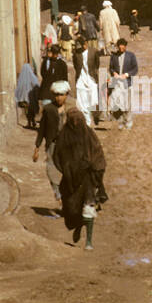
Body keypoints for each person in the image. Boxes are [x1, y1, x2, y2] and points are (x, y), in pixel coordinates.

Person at [53, 97, 106, 250]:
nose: (76, 124)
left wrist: (95, 171)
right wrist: (68, 169)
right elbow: (58, 156)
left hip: (88, 178)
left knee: (88, 207)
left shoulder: (89, 135)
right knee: (71, 209)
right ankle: (78, 226)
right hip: (70, 180)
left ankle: (89, 241)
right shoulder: (64, 136)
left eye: (78, 121)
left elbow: (98, 155)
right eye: (73, 121)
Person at [33, 80, 70, 200]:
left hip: (68, 145)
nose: (59, 98)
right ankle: (57, 191)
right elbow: (42, 129)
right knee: (51, 168)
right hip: (52, 144)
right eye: (56, 95)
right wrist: (37, 147)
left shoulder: (71, 110)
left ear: (67, 94)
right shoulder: (48, 109)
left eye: (62, 94)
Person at [108, 37, 138, 129]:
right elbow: (111, 68)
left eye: (123, 46)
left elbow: (135, 69)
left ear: (125, 46)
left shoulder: (131, 56)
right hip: (117, 83)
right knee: (119, 104)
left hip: (127, 83)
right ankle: (120, 121)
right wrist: (114, 73)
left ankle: (128, 122)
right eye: (119, 46)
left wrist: (127, 74)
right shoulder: (114, 56)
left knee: (128, 104)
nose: (121, 48)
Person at [15, 60, 41, 128]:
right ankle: (33, 122)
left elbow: (18, 89)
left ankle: (29, 123)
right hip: (31, 98)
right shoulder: (32, 77)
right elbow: (37, 85)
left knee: (27, 111)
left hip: (25, 99)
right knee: (32, 111)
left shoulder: (21, 79)